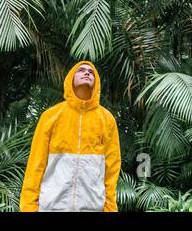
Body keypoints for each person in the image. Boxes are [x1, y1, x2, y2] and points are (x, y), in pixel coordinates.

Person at [19, 60, 121, 212]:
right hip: (52, 207)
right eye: (81, 70)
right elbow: (36, 164)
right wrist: (28, 207)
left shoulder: (107, 120)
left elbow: (112, 170)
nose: (87, 72)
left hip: (92, 207)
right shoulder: (50, 116)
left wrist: (110, 208)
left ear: (97, 82)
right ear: (70, 78)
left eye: (91, 72)